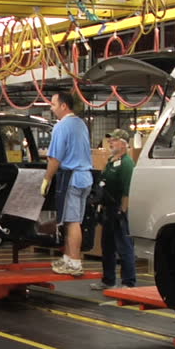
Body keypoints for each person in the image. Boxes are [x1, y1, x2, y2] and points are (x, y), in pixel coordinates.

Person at [42, 92, 93, 276]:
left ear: (64, 106)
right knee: (76, 220)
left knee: (71, 222)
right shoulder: (81, 124)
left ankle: (75, 263)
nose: (51, 107)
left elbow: (55, 159)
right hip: (85, 177)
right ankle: (69, 259)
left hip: (71, 177)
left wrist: (47, 179)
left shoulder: (61, 127)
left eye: (53, 104)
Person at [90, 129, 137, 290]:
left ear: (123, 143)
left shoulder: (127, 164)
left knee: (124, 246)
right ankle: (108, 280)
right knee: (107, 246)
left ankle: (128, 282)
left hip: (119, 209)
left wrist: (122, 210)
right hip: (108, 209)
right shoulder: (111, 161)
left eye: (114, 140)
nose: (110, 143)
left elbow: (127, 190)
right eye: (110, 140)